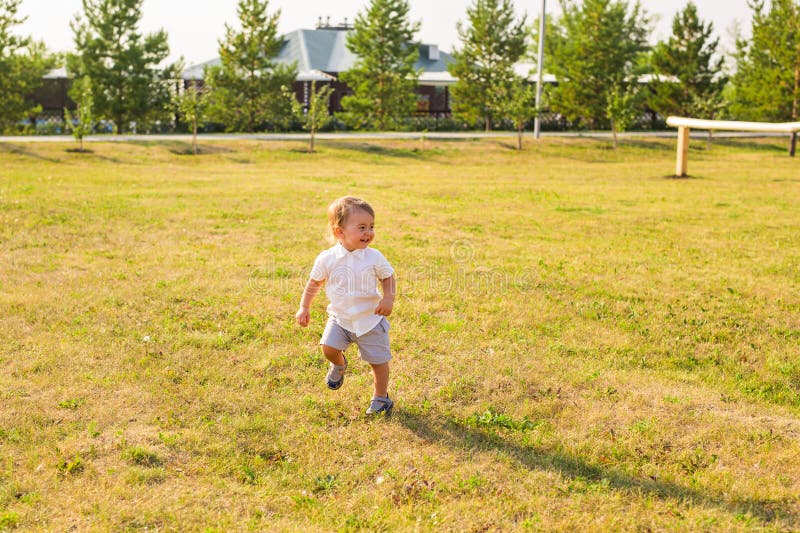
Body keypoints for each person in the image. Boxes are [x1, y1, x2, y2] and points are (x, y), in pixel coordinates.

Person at [295, 196, 397, 415]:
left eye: (371, 227)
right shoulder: (327, 258)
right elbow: (314, 283)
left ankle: (381, 398)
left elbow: (388, 277)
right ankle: (339, 365)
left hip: (370, 319)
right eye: (361, 228)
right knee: (328, 348)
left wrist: (388, 298)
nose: (368, 233)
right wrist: (304, 307)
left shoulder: (374, 257)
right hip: (340, 319)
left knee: (378, 362)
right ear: (339, 232)